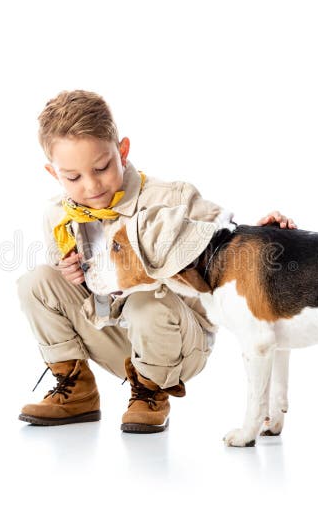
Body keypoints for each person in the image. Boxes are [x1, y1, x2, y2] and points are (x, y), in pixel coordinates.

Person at [17, 90, 296, 433]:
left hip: (177, 340)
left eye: (102, 167)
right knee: (36, 281)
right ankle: (76, 391)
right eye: (73, 177)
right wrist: (74, 276)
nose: (90, 186)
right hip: (114, 335)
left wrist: (262, 233)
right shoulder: (59, 216)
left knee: (147, 297)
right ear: (53, 172)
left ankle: (150, 392)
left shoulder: (171, 199)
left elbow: (225, 236)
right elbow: (75, 295)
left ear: (122, 152)